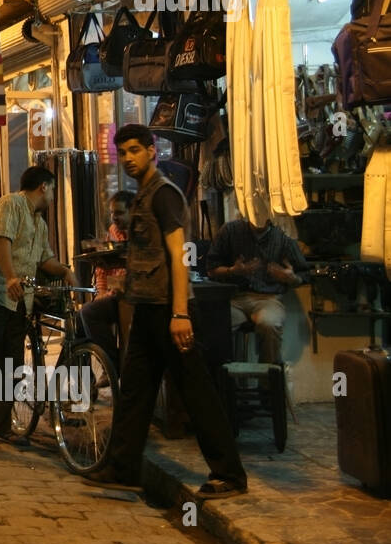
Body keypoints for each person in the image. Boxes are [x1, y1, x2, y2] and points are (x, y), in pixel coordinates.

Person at [88, 124, 248, 498]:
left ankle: (230, 475)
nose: (128, 158)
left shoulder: (164, 194)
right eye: (122, 152)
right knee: (135, 393)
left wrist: (180, 315)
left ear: (150, 150)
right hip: (147, 308)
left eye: (134, 150)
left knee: (197, 394)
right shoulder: (143, 195)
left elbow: (179, 256)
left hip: (170, 311)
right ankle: (122, 466)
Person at [0, 166, 77, 453]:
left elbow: (45, 260)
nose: (52, 195)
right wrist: (11, 276)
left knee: (9, 365)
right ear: (44, 187)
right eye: (52, 189)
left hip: (18, 301)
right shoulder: (11, 203)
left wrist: (64, 271)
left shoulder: (40, 223)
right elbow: (1, 240)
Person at [205, 217, 309, 364]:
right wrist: (232, 271)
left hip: (268, 299)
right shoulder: (230, 230)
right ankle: (222, 381)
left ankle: (268, 380)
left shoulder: (283, 233)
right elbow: (211, 269)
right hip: (234, 299)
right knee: (214, 325)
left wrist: (290, 278)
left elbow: (304, 275)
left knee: (269, 324)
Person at [78, 191, 134, 370]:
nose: (114, 217)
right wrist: (101, 292)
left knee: (89, 314)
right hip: (115, 295)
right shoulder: (113, 232)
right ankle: (88, 378)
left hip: (134, 297)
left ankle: (112, 365)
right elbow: (102, 270)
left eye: (118, 213)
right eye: (111, 213)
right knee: (80, 318)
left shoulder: (140, 232)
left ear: (131, 211)